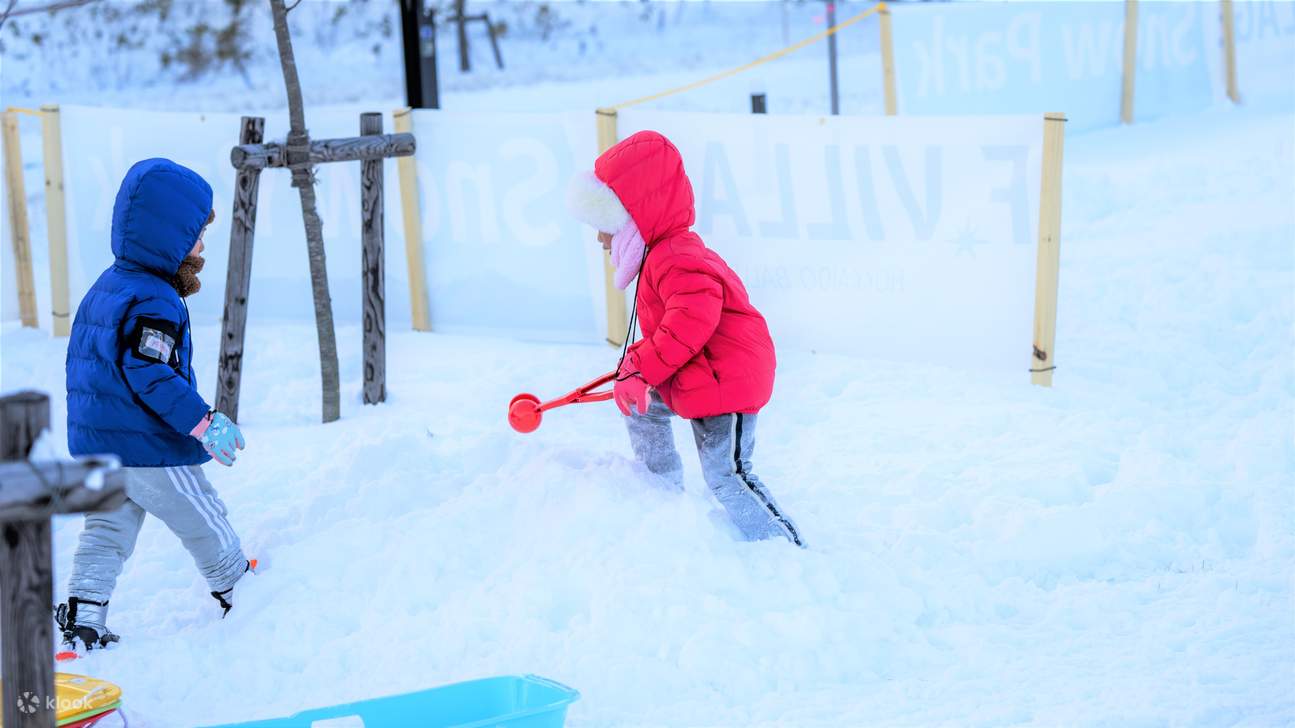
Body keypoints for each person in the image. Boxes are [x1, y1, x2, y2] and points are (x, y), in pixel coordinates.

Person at [566, 130, 804, 547]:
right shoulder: (663, 256)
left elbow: (691, 320)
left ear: (633, 220)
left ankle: (782, 548)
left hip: (726, 379)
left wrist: (644, 366)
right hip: (699, 374)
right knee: (642, 409)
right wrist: (634, 369)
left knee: (726, 476)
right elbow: (669, 333)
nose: (601, 239)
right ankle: (658, 491)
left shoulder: (677, 257)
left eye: (605, 227)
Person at [57, 158, 252, 652]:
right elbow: (150, 372)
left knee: (107, 527)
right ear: (164, 237)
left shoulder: (108, 285)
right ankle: (243, 590)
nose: (202, 245)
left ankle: (84, 615)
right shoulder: (155, 300)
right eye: (195, 233)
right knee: (200, 511)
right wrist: (203, 422)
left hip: (100, 444)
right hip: (148, 446)